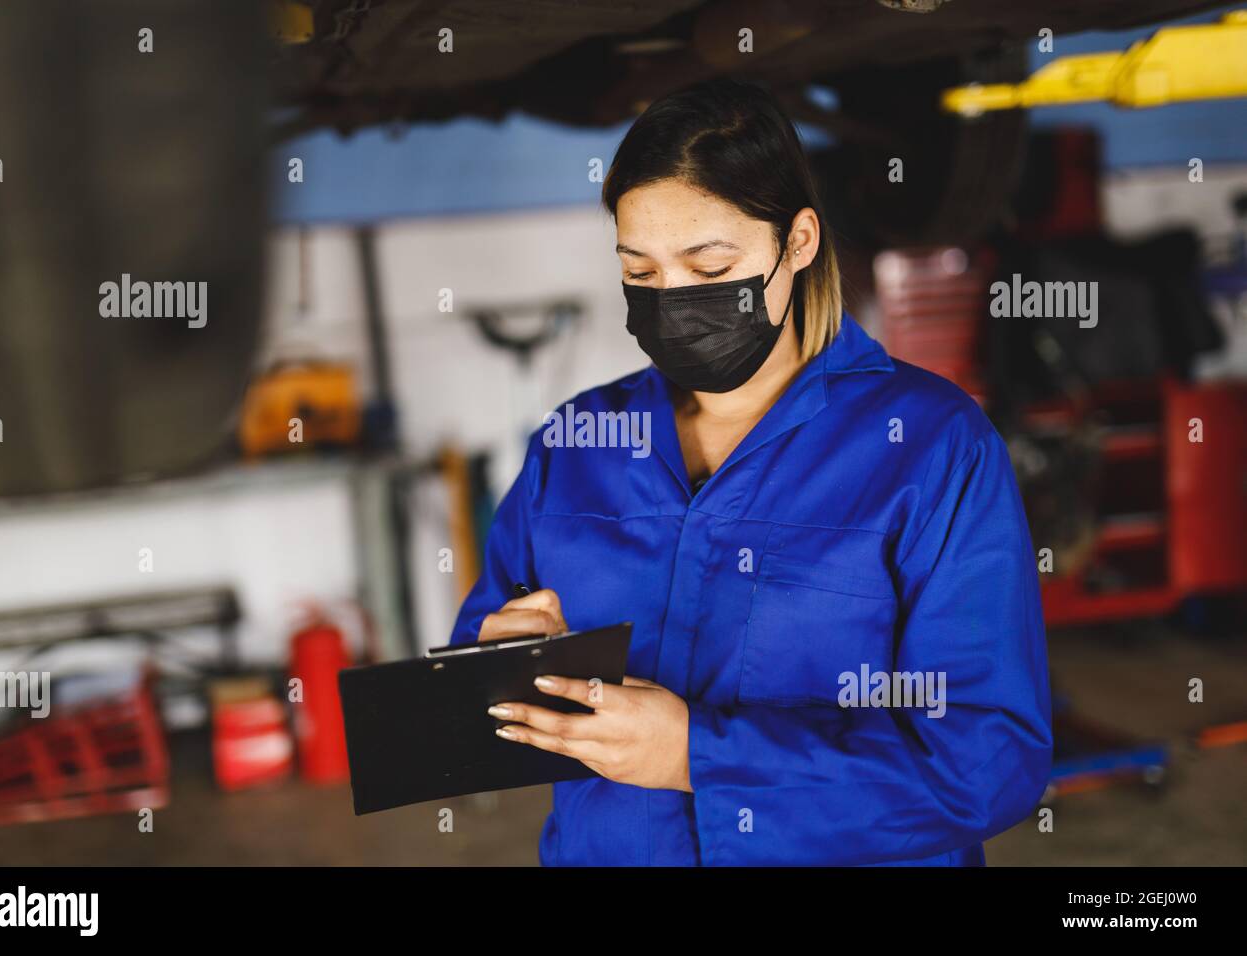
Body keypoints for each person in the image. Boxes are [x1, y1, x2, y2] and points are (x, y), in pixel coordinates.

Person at [450, 77, 1052, 866]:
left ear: (797, 242)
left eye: (708, 266)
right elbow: (476, 668)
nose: (671, 299)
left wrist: (700, 756)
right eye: (639, 271)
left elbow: (989, 761)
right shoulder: (581, 442)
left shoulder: (932, 449)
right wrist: (496, 660)